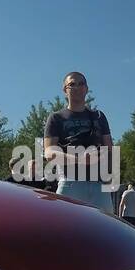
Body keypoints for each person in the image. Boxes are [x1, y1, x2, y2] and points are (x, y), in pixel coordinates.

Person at [43, 71, 114, 213]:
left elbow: (109, 147)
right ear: (65, 90)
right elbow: (49, 152)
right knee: (66, 229)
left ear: (86, 89)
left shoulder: (99, 116)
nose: (77, 87)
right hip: (70, 182)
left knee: (105, 230)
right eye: (72, 84)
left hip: (99, 184)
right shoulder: (56, 118)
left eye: (81, 84)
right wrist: (79, 159)